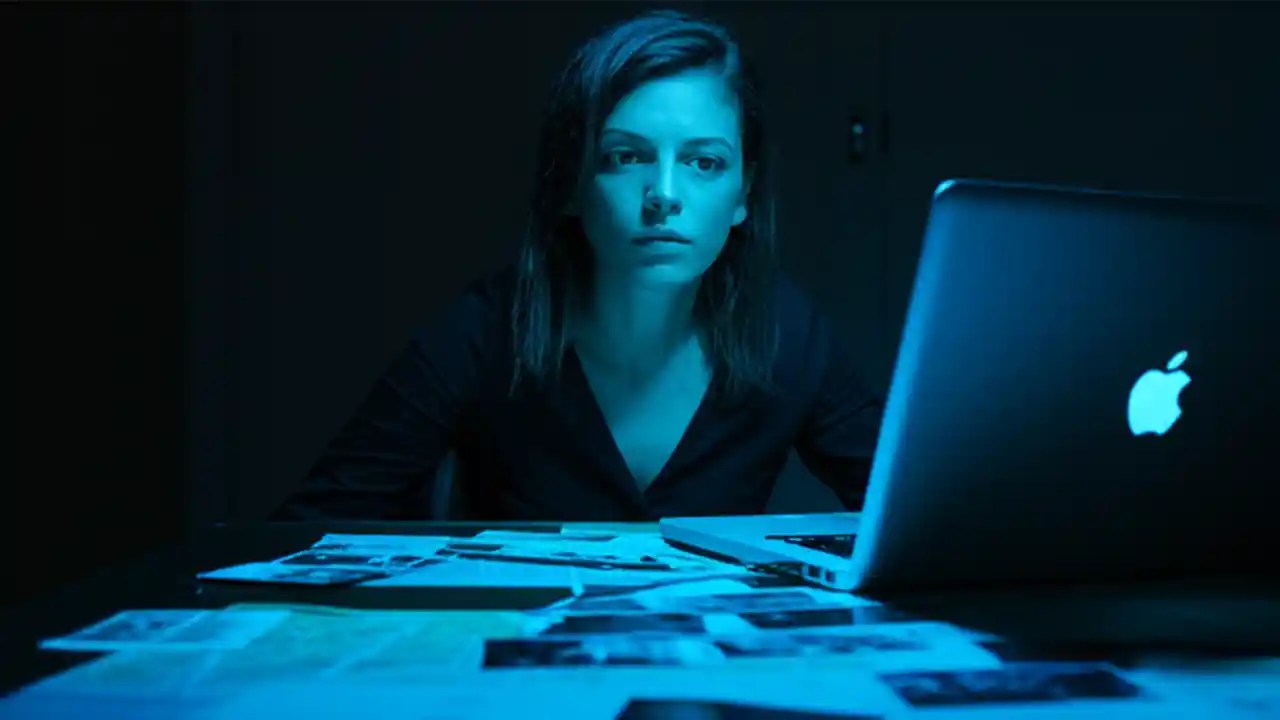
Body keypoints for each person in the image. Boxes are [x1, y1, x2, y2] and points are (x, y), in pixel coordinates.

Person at [272, 9, 884, 522]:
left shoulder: (786, 332)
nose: (664, 194)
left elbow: (917, 521)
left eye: (704, 163)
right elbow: (306, 536)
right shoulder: (485, 331)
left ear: (743, 196)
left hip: (707, 665)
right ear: (572, 182)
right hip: (529, 661)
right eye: (625, 157)